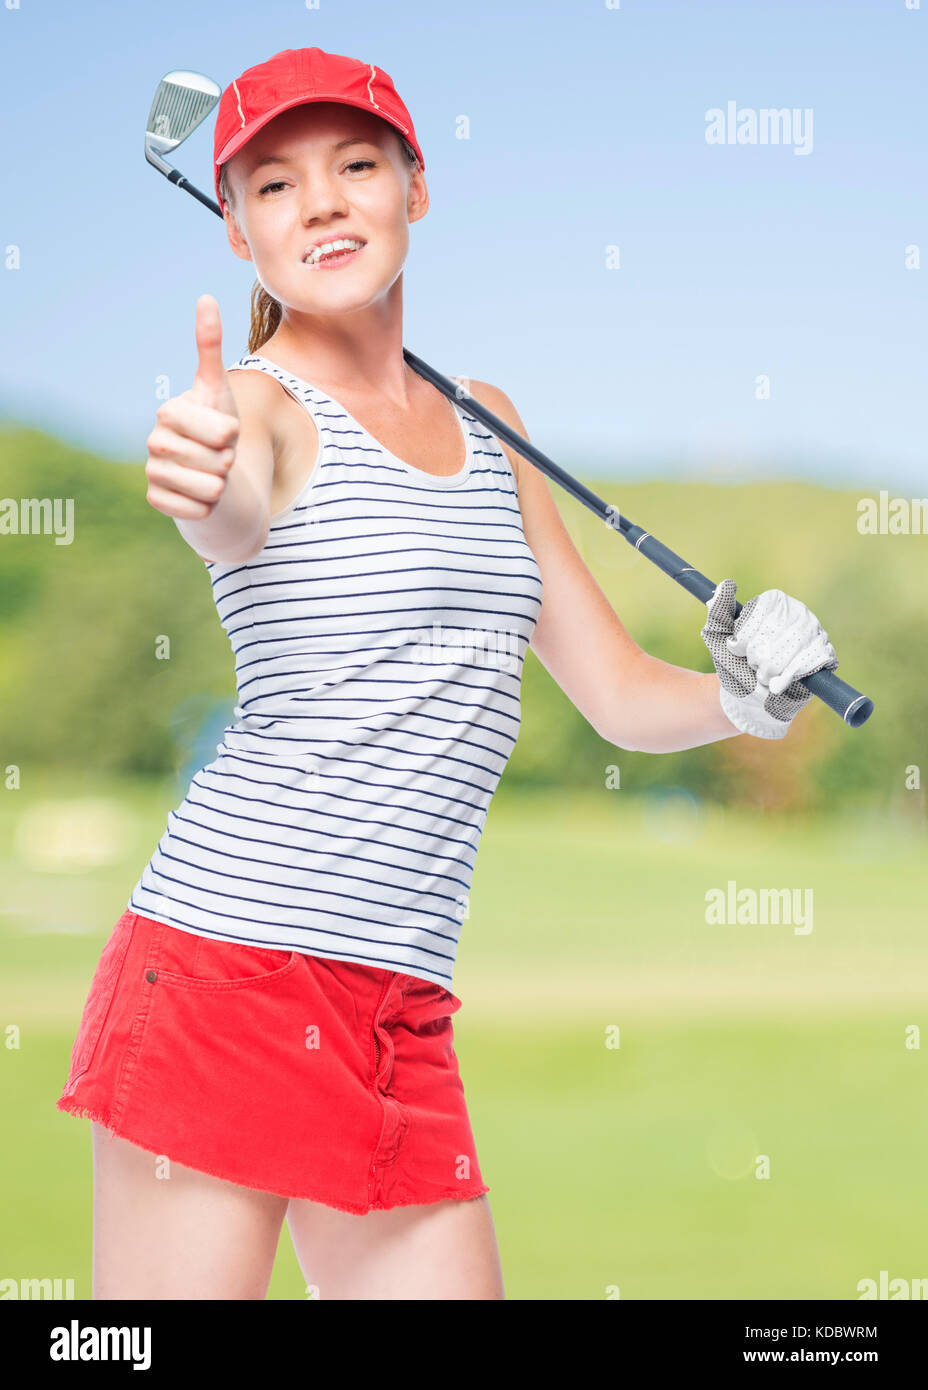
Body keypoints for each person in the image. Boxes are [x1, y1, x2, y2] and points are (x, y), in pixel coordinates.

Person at [57, 45, 839, 1301]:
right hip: (228, 972)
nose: (319, 202)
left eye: (355, 165)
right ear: (238, 233)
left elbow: (620, 695)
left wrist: (744, 695)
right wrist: (200, 480)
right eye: (273, 185)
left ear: (415, 188)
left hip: (397, 1006)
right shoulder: (253, 410)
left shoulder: (489, 419)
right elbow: (231, 504)